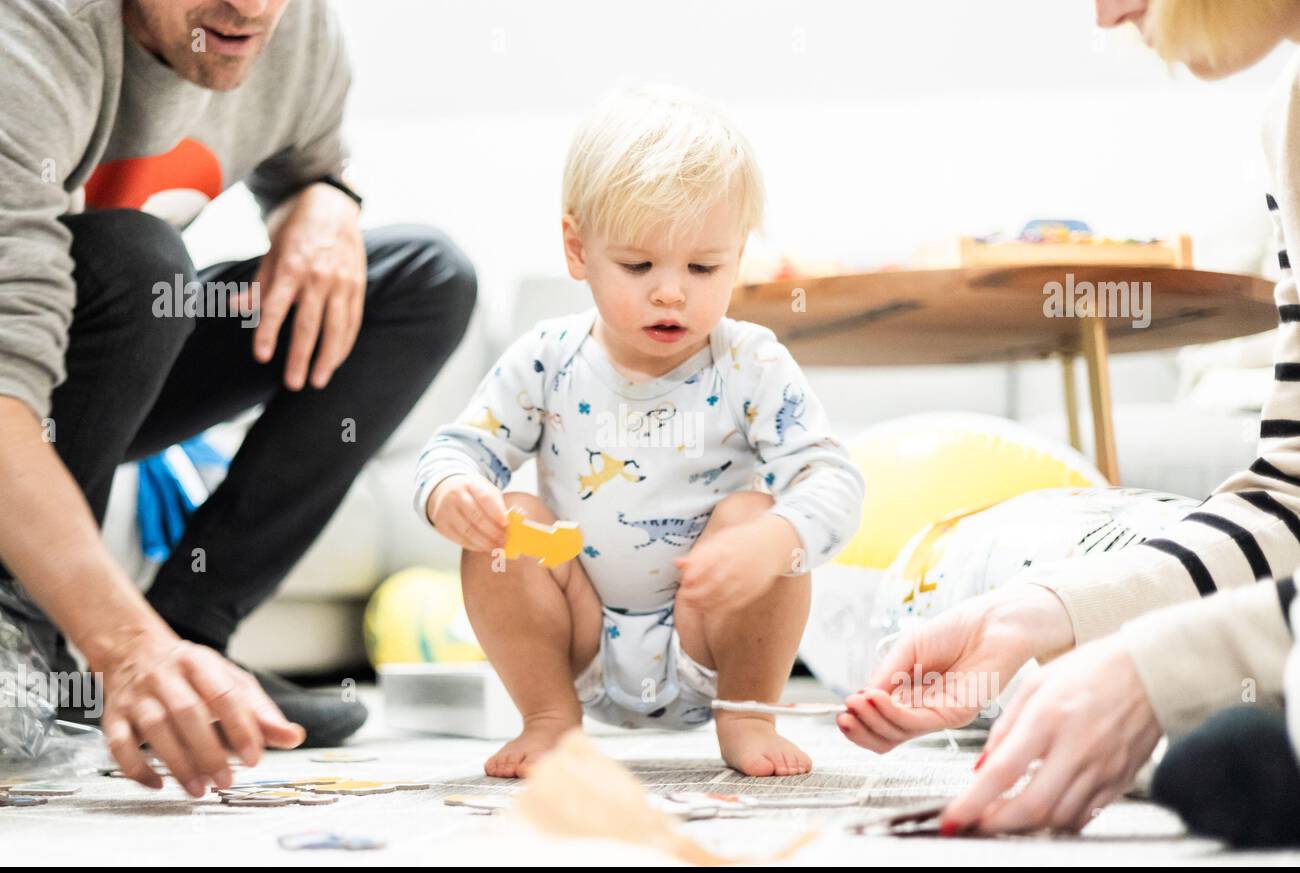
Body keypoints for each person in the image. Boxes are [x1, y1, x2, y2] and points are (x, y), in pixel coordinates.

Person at [836, 0, 1300, 840]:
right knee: (1033, 558)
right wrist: (1042, 613)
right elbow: (1288, 502)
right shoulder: (1290, 121)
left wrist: (1161, 671)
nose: (1108, 13)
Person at [0, 0, 476, 797]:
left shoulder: (291, 27)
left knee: (422, 280)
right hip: (23, 390)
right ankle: (20, 634)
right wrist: (122, 645)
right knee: (143, 268)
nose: (250, 6)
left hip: (107, 374)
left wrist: (327, 199)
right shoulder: (33, 35)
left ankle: (195, 637)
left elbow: (313, 164)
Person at [415, 87, 865, 778]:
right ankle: (548, 720)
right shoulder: (546, 357)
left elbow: (833, 481)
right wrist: (451, 489)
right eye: (638, 265)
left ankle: (747, 715)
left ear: (737, 257)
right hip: (581, 637)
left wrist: (775, 541)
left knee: (760, 514)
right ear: (577, 249)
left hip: (711, 638)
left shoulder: (752, 362)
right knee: (509, 519)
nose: (670, 292)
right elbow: (457, 449)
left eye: (703, 267)